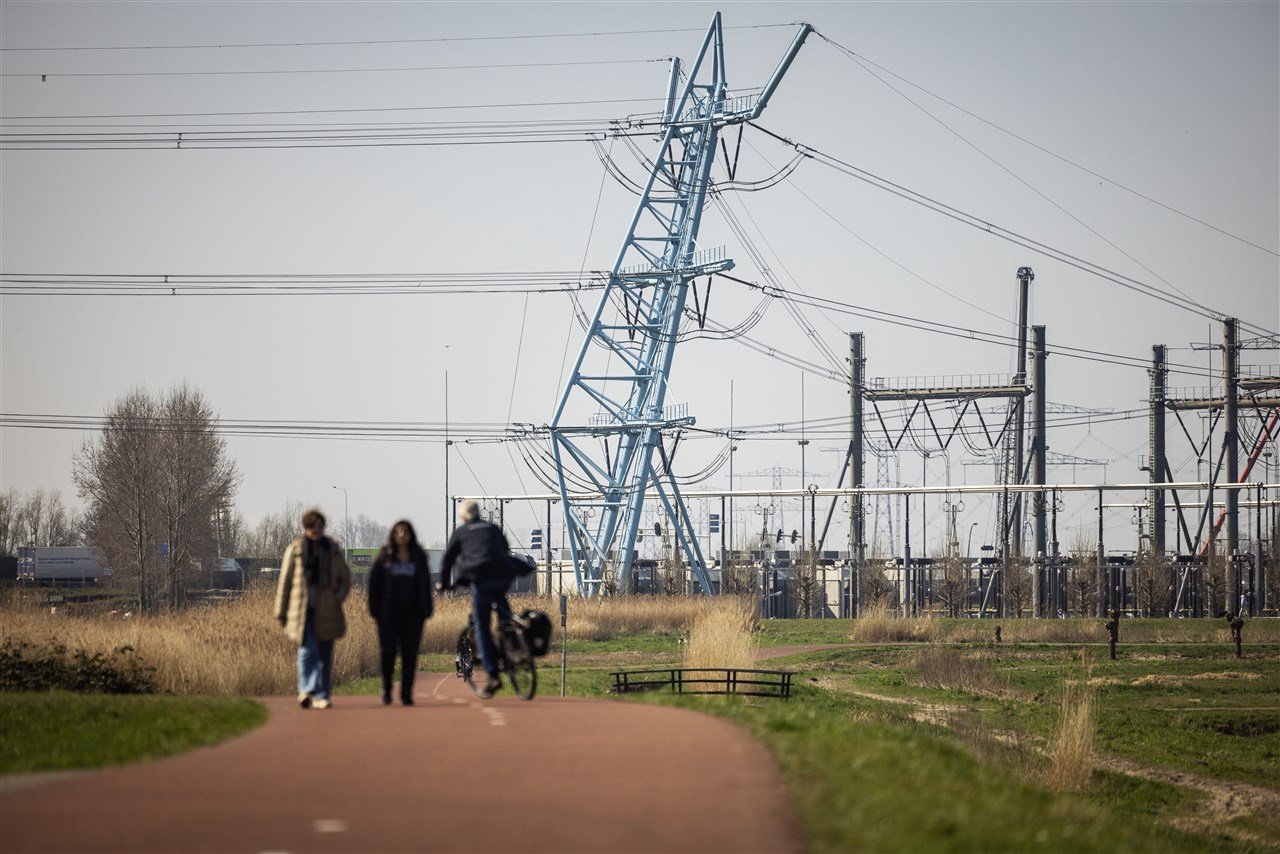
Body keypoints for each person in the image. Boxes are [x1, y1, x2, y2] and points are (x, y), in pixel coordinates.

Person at [275, 509, 352, 710]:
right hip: (302, 611)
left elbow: (345, 578)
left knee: (326, 654)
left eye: (319, 526)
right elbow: (285, 582)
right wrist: (280, 612)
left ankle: (323, 695)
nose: (316, 530)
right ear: (306, 528)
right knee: (308, 650)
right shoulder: (296, 549)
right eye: (312, 526)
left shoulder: (332, 549)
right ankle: (307, 689)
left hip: (327, 610)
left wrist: (338, 597)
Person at [440, 499, 512, 699]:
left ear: (463, 516)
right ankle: (514, 637)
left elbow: (448, 559)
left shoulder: (461, 532)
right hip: (502, 576)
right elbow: (505, 548)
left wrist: (444, 583)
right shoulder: (492, 527)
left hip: (480, 580)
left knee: (481, 626)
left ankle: (492, 673)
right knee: (506, 615)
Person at [367, 520, 434, 706]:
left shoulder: (418, 558)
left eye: (405, 531)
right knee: (388, 652)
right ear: (393, 534)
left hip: (413, 616)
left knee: (409, 655)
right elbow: (374, 585)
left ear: (410, 534)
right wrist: (375, 609)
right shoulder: (385, 558)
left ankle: (406, 692)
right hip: (388, 616)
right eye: (398, 531)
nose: (402, 535)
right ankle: (387, 689)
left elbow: (425, 585)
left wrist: (426, 609)